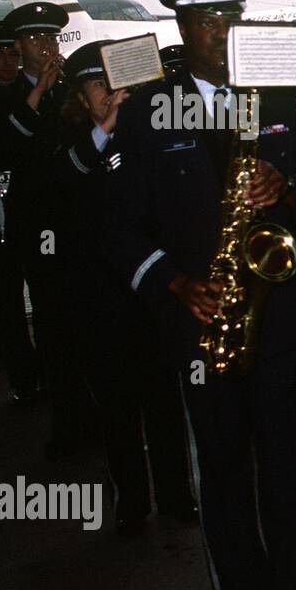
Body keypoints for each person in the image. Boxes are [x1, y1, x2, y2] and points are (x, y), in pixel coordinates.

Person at [102, 0, 296, 590]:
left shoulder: (276, 100)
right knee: (226, 470)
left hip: (286, 320)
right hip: (206, 323)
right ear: (183, 25)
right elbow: (114, 225)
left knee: (291, 467)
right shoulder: (148, 111)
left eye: (233, 15)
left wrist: (288, 185)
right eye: (211, 18)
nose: (224, 29)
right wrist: (173, 284)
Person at [51, 41, 196, 532]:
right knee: (118, 409)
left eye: (117, 85)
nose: (111, 95)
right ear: (79, 96)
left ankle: (177, 496)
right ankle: (131, 503)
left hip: (150, 290)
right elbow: (64, 176)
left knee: (164, 401)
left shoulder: (143, 138)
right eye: (99, 86)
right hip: (98, 298)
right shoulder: (69, 141)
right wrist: (106, 128)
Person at [0, 2, 92, 453]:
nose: (47, 47)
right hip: (38, 229)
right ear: (18, 47)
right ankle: (68, 428)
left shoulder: (70, 93)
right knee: (53, 327)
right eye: (36, 40)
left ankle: (94, 421)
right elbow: (7, 149)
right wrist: (36, 97)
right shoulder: (9, 93)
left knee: (86, 324)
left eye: (52, 38)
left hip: (77, 223)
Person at [0, 17, 39, 403]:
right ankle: (25, 381)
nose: (8, 61)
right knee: (9, 306)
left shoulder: (28, 93)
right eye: (0, 54)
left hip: (28, 215)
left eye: (12, 53)